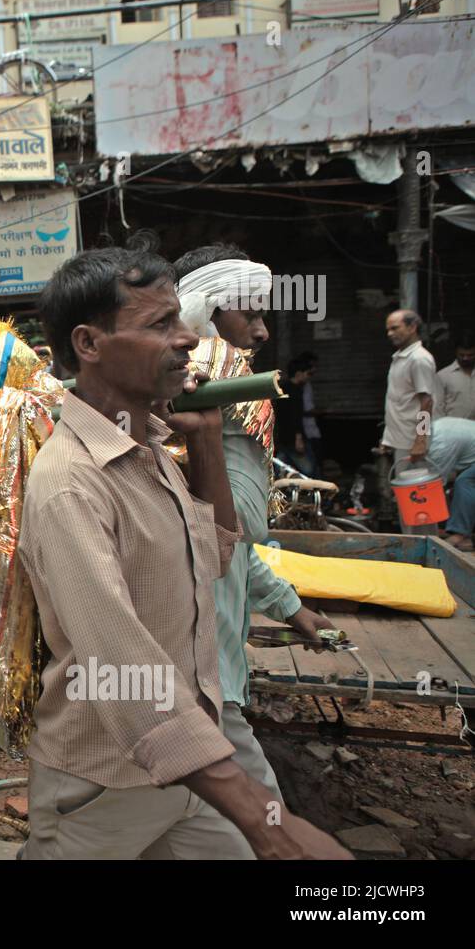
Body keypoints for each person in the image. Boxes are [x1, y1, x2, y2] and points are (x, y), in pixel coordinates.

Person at [17, 245, 348, 859]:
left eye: (181, 319)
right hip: (104, 785)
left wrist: (208, 446)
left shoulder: (146, 448)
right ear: (89, 344)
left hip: (193, 763)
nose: (188, 339)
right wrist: (262, 818)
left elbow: (216, 560)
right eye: (159, 324)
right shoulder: (72, 484)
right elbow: (119, 662)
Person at [174, 246, 335, 818]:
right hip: (201, 664)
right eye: (250, 314)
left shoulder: (218, 400)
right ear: (206, 310)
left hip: (212, 663)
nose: (262, 331)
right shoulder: (209, 383)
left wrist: (291, 607)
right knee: (264, 817)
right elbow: (231, 531)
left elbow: (234, 542)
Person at [378, 310, 437, 527]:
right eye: (388, 329)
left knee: (418, 506)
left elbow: (427, 402)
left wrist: (421, 439)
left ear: (412, 328)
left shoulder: (419, 359)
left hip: (413, 445)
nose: (389, 333)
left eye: (395, 328)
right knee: (407, 505)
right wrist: (387, 438)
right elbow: (398, 402)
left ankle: (422, 550)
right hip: (401, 441)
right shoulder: (401, 357)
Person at [427, 416, 475, 550]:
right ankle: (456, 528)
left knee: (465, 481)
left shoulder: (439, 445)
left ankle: (460, 536)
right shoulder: (432, 428)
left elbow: (434, 485)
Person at [274, 357, 315, 476]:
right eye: (308, 373)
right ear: (298, 374)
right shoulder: (295, 391)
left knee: (281, 465)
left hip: (283, 436)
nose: (309, 377)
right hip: (292, 438)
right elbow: (295, 416)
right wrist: (298, 438)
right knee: (309, 470)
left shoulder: (282, 388)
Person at [435, 332, 475, 421]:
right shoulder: (443, 376)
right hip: (453, 430)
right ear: (456, 352)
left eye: (470, 355)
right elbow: (437, 408)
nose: (465, 358)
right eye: (462, 355)